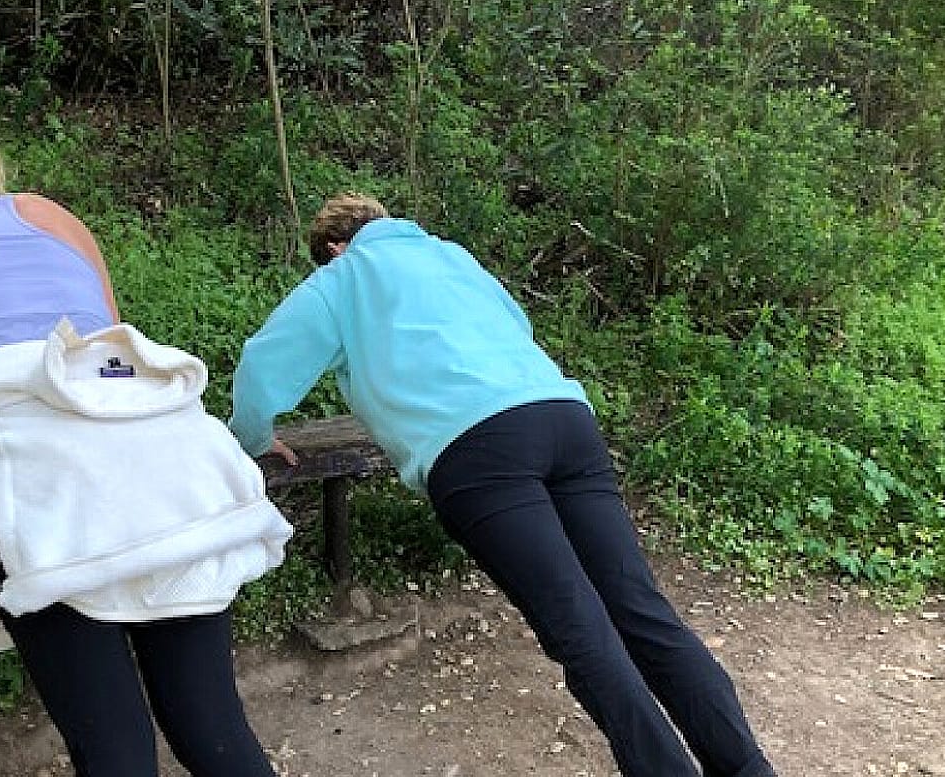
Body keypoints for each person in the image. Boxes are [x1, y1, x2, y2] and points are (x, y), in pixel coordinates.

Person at [229, 192, 778, 777]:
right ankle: (748, 768)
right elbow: (517, 326)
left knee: (579, 627)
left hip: (477, 453)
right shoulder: (454, 258)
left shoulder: (342, 279)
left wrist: (255, 436)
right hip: (563, 417)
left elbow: (267, 363)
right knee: (641, 610)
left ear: (336, 247)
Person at [0, 108, 292, 777]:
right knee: (212, 727)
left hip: (36, 480)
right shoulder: (56, 217)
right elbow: (107, 361)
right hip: (166, 459)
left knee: (114, 749)